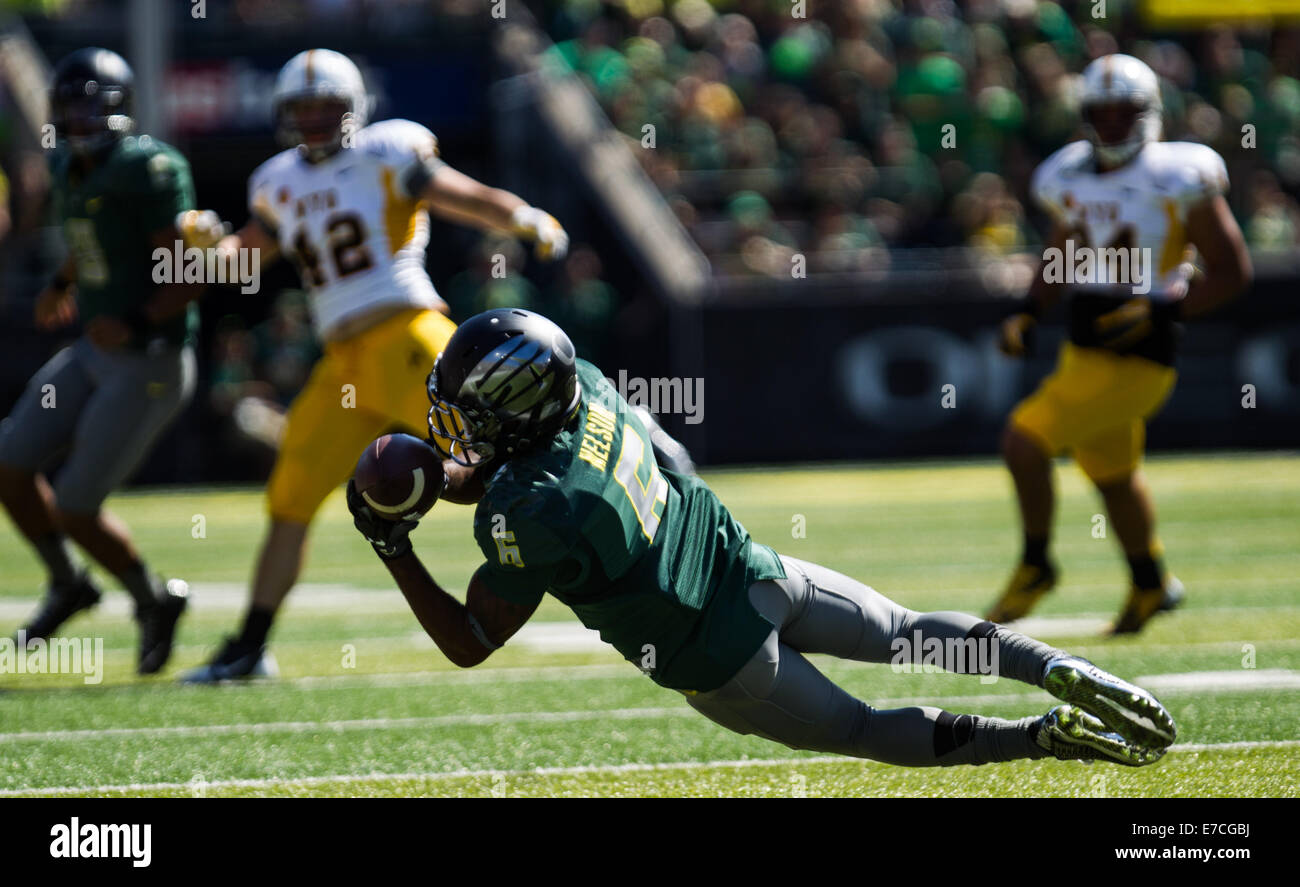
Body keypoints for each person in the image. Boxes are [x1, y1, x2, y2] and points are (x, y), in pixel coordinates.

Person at [345, 308, 1176, 768]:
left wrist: (392, 545)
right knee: (910, 632)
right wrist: (446, 482)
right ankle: (1052, 667)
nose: (459, 421)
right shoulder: (587, 390)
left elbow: (470, 638)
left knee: (862, 729)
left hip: (723, 661)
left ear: (518, 410)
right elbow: (528, 471)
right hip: (757, 567)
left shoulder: (525, 512)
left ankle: (1039, 739)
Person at [182, 49, 571, 681]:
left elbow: (459, 195)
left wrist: (519, 216)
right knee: (290, 497)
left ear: (353, 109)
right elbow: (242, 261)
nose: (312, 120)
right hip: (341, 360)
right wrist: (207, 246)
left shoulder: (385, 152)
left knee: (506, 450)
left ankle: (596, 530)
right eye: (300, 109)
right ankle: (250, 646)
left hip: (407, 334)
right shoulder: (277, 181)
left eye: (324, 107)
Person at [986, 54, 1252, 633]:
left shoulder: (1180, 175)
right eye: (1098, 113)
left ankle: (1036, 565)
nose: (1108, 125)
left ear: (1149, 113)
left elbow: (1233, 271)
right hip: (1083, 346)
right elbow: (1064, 253)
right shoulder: (1069, 176)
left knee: (1023, 442)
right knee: (1112, 473)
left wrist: (1164, 311)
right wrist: (1030, 312)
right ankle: (1151, 581)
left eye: (1121, 112)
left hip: (1139, 357)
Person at [0, 48, 197, 673]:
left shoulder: (150, 168)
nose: (82, 116)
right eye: (71, 105)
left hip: (150, 360)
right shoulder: (71, 166)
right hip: (94, 350)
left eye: (94, 103)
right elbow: (88, 242)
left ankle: (154, 598)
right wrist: (61, 283)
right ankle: (69, 583)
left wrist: (135, 319)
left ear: (121, 108)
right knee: (8, 460)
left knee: (75, 505)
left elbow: (187, 273)